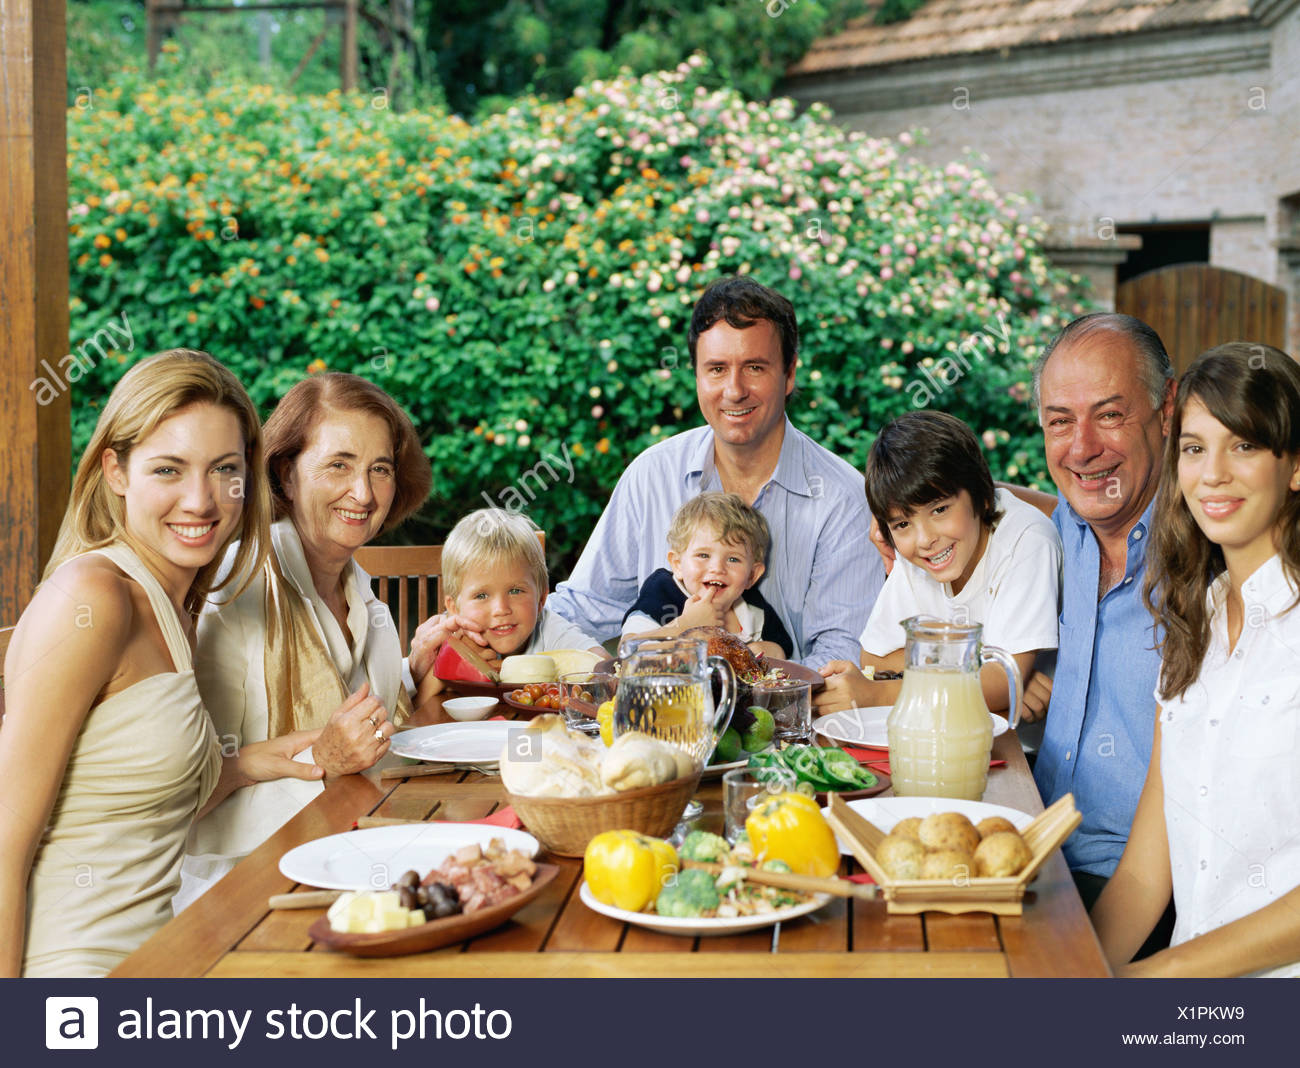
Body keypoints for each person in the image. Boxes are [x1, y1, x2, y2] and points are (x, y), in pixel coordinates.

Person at [0, 350, 325, 977]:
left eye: (224, 470)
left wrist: (245, 763)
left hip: (161, 963)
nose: (200, 501)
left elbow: (125, 800)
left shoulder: (176, 603)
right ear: (115, 470)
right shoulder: (93, 599)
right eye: (168, 470)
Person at [177, 373, 433, 911]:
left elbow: (367, 711)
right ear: (285, 475)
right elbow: (180, 794)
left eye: (379, 470)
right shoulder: (234, 589)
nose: (363, 493)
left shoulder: (361, 595)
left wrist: (412, 671)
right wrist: (320, 757)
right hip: (242, 888)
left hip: (351, 851)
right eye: (338, 464)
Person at [1091, 343, 1300, 977]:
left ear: (1294, 466)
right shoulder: (1192, 624)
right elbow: (1145, 870)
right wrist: (1071, 976)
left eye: (1243, 446)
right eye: (1194, 447)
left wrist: (1144, 983)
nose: (1212, 474)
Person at [547, 276, 885, 667]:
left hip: (793, 723)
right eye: (717, 369)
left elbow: (841, 657)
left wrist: (745, 681)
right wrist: (493, 622)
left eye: (755, 367)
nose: (734, 390)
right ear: (696, 376)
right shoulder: (651, 475)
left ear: (789, 374)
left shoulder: (844, 499)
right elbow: (582, 608)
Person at [1025, 313, 1177, 922]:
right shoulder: (1068, 527)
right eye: (1060, 422)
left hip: (1143, 898)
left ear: (1167, 409)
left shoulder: (1210, 557)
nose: (1082, 447)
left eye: (1110, 415)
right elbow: (1008, 502)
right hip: (1040, 856)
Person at [816, 411, 1061, 714]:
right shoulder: (920, 555)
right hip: (946, 725)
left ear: (982, 496)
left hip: (1024, 748)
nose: (924, 538)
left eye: (940, 509)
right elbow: (874, 657)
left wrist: (878, 694)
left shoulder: (1027, 539)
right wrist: (975, 666)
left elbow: (1002, 684)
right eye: (902, 525)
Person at [411, 509, 604, 700]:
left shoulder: (549, 627)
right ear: (454, 609)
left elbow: (602, 665)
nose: (501, 609)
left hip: (532, 729)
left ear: (541, 599)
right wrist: (443, 675)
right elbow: (418, 710)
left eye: (515, 591)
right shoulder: (448, 639)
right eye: (481, 595)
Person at [621, 491, 793, 658]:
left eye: (733, 559)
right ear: (677, 564)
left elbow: (781, 650)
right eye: (703, 555)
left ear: (752, 575)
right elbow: (628, 652)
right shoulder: (662, 592)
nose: (717, 568)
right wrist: (685, 626)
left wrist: (757, 651)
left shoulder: (752, 608)